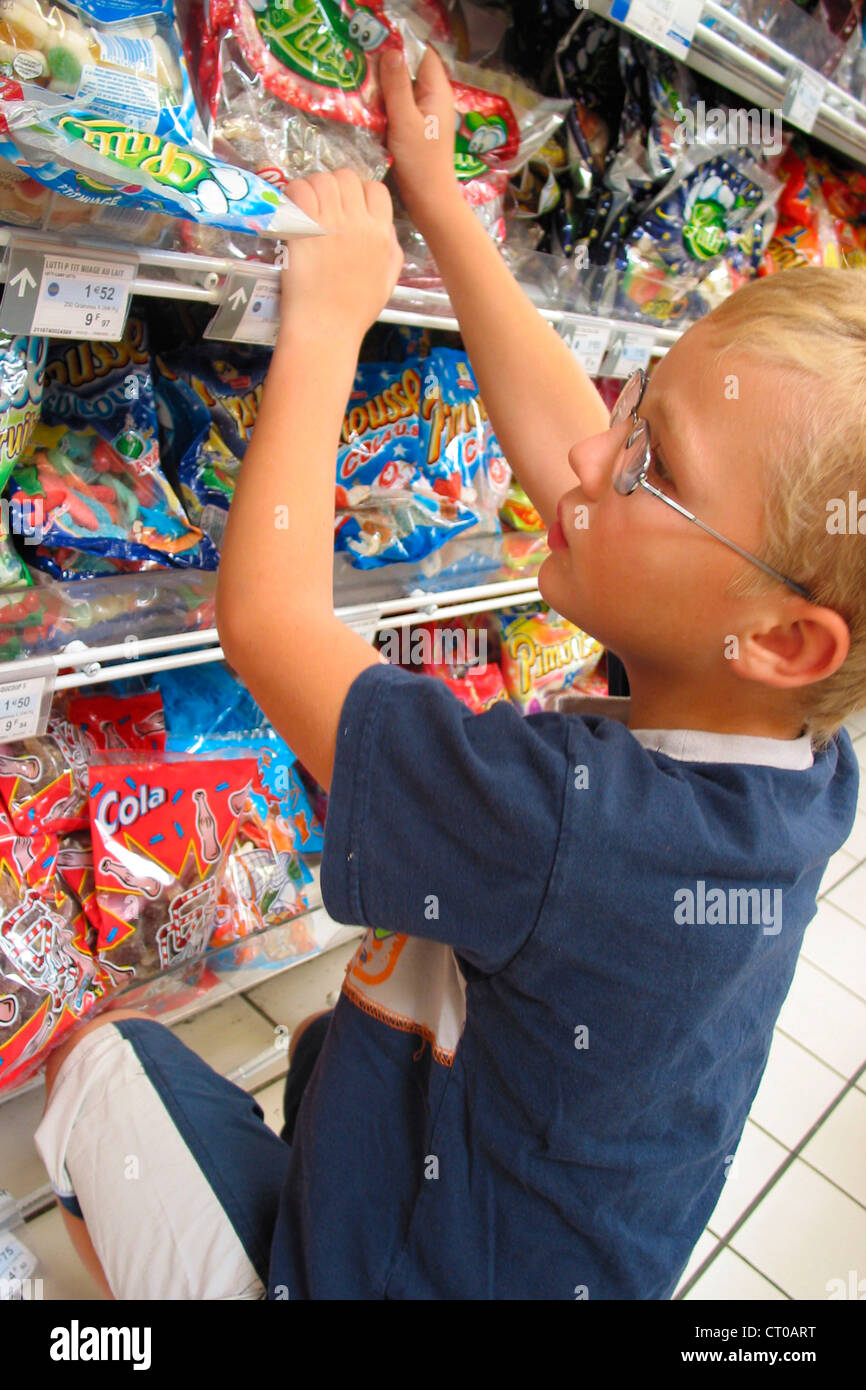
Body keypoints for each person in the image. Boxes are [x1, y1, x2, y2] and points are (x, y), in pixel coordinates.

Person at [35, 47, 862, 1300]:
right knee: (296, 1059)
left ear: (784, 639)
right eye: (634, 404)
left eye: (652, 463)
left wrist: (327, 320)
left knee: (99, 1064)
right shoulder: (788, 752)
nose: (592, 455)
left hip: (377, 1279)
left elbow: (267, 620)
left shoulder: (564, 827)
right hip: (531, 1248)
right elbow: (575, 450)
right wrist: (439, 202)